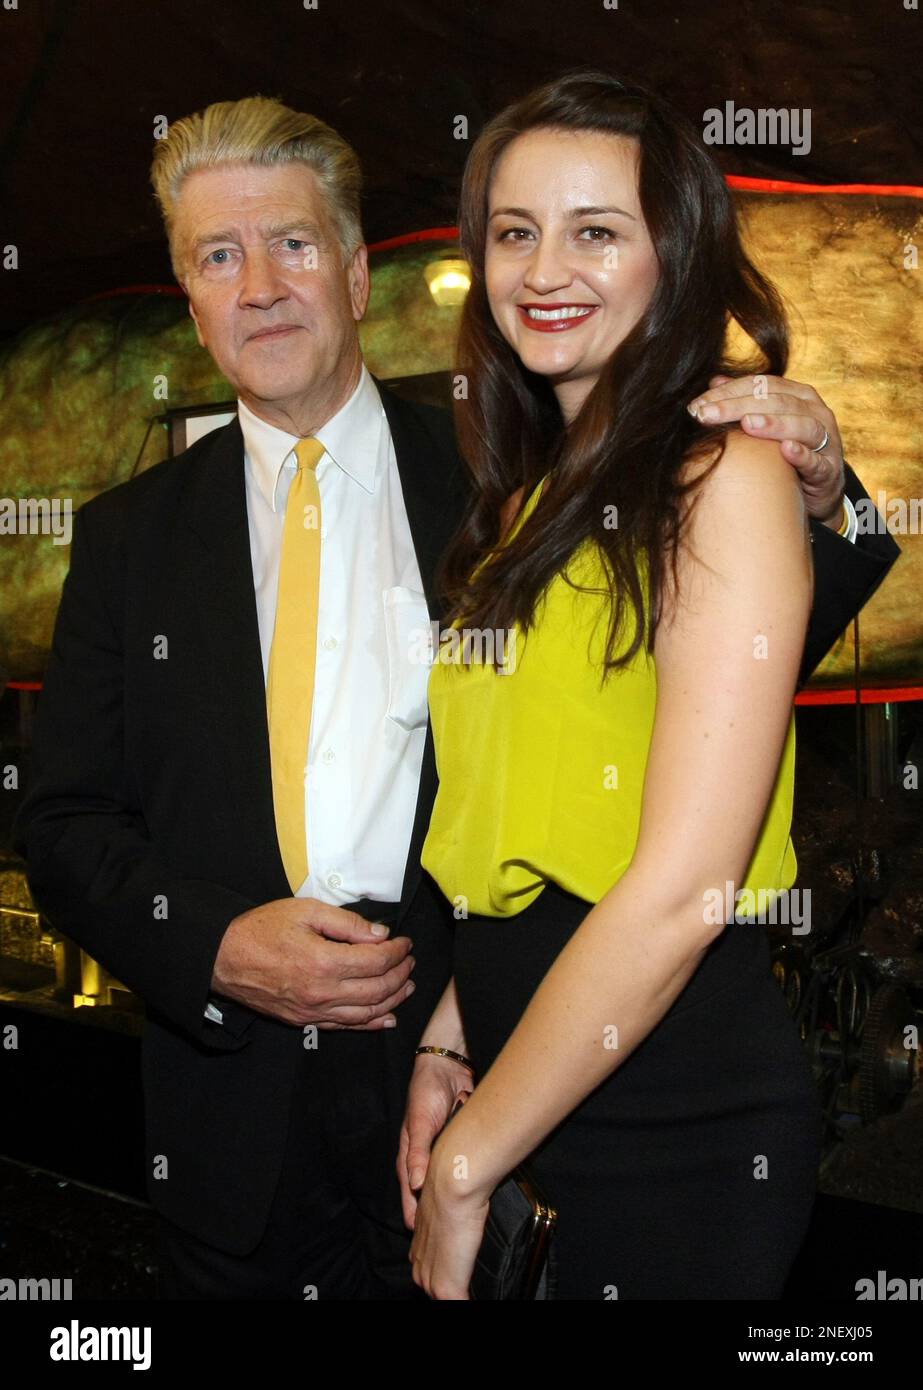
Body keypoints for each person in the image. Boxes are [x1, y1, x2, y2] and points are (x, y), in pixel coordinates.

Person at [12, 91, 897, 1301]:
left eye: (293, 243)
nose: (260, 283)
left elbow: (703, 687)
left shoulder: (498, 476)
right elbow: (59, 828)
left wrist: (820, 491)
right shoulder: (126, 539)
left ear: (360, 272)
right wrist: (211, 943)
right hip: (235, 1109)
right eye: (218, 257)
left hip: (500, 1074)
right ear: (190, 297)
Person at [400, 71, 901, 1300]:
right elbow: (529, 825)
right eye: (513, 232)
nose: (540, 268)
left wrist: (466, 1166)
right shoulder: (516, 507)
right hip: (523, 1080)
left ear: (671, 256)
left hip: (670, 1114)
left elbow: (683, 886)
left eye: (595, 230)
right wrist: (446, 1041)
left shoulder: (717, 477)